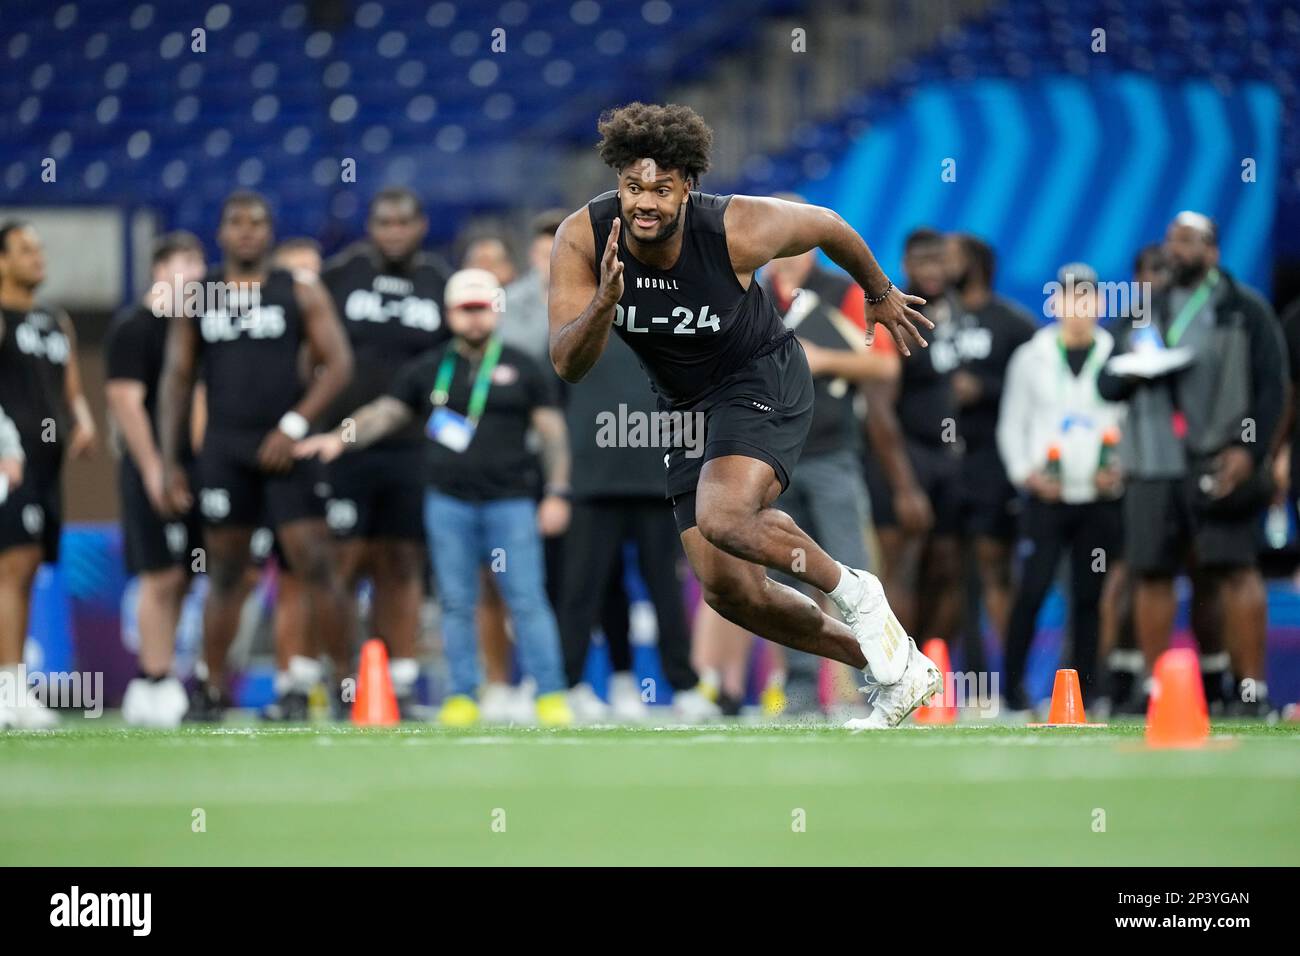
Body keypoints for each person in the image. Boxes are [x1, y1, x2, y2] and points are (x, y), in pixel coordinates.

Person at [547, 102, 939, 729]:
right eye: (632, 187)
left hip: (761, 377)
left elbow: (829, 226)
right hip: (681, 407)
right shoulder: (584, 236)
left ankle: (855, 592)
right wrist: (602, 305)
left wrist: (880, 293)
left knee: (726, 516)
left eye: (662, 188)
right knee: (732, 593)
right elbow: (568, 362)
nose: (645, 202)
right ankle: (888, 664)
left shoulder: (736, 227)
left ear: (688, 187)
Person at [296, 269, 574, 727]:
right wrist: (339, 438)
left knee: (526, 599)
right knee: (455, 601)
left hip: (512, 503)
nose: (473, 318)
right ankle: (463, 695)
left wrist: (558, 493)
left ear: (496, 311)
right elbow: (385, 414)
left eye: (480, 308)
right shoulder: (427, 369)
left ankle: (550, 695)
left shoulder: (525, 366)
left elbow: (553, 435)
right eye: (464, 310)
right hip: (448, 503)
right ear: (448, 314)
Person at [157, 191, 354, 720]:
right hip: (225, 448)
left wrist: (293, 425)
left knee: (317, 566)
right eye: (236, 223)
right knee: (224, 574)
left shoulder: (300, 289)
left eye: (257, 222)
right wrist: (170, 460)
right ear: (220, 233)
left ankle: (347, 690)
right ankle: (210, 689)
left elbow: (338, 364)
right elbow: (176, 380)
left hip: (288, 446)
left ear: (270, 231)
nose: (247, 231)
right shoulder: (199, 294)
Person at [1097, 211, 1288, 718]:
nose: (1174, 250)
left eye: (1187, 242)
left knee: (1234, 569)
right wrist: (1134, 371)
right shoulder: (1142, 311)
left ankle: (1251, 691)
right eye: (1170, 240)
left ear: (1213, 251)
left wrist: (1251, 452)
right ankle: (1156, 687)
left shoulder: (1244, 309)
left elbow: (1274, 389)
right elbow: (1106, 385)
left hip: (1220, 457)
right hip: (1152, 462)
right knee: (1151, 572)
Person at [758, 199, 901, 715]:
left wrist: (822, 359)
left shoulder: (842, 291)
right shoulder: (751, 293)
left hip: (833, 452)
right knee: (785, 578)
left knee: (852, 572)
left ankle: (877, 682)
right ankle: (798, 688)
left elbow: (884, 367)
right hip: (771, 459)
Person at [320, 189, 450, 716]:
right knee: (342, 564)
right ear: (371, 227)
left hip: (413, 446)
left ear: (420, 224)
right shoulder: (340, 277)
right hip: (347, 445)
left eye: (404, 221)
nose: (394, 230)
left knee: (402, 564)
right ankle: (341, 683)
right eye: (384, 222)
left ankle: (397, 682)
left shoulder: (439, 282)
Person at [997, 263, 1125, 709]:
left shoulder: (1117, 357)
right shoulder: (1031, 357)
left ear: (1100, 304)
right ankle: (1012, 691)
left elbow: (1126, 421)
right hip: (1045, 499)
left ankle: (1086, 692)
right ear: (1057, 303)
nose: (1079, 308)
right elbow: (1012, 423)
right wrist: (1024, 474)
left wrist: (1120, 470)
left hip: (1098, 498)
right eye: (1071, 298)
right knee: (1030, 591)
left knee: (1089, 597)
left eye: (1088, 299)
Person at [105, 231, 207, 726]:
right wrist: (154, 469)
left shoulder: (195, 327)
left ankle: (167, 674)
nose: (194, 275)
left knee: (185, 573)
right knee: (159, 574)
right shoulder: (134, 328)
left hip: (190, 468)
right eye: (184, 264)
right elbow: (125, 402)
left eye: (199, 265)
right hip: (150, 467)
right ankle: (152, 679)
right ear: (159, 269)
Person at [0, 221, 97, 729]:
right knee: (12, 567)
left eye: (40, 249)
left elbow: (71, 385)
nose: (38, 259)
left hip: (46, 465)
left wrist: (82, 418)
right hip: (8, 466)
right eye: (25, 251)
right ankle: (7, 688)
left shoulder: (55, 319)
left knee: (29, 568)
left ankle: (14, 686)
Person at [860, 228, 965, 651]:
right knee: (902, 565)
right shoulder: (891, 316)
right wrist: (904, 487)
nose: (933, 270)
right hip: (901, 460)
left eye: (939, 260)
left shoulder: (954, 313)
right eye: (923, 262)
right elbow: (878, 411)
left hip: (946, 459)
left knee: (947, 566)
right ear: (905, 266)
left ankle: (932, 673)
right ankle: (896, 673)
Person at [948, 235, 1036, 668]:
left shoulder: (1014, 325)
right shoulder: (930, 318)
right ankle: (945, 681)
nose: (942, 265)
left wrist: (984, 388)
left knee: (995, 568)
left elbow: (1038, 392)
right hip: (940, 465)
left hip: (993, 464)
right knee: (944, 573)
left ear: (976, 263)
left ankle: (1014, 682)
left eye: (952, 256)